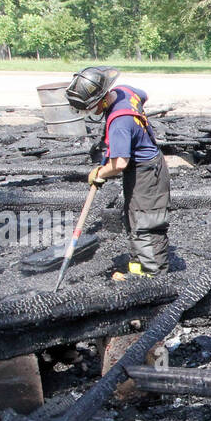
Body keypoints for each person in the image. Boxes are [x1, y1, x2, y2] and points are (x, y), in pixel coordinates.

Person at [64, 66, 170, 280]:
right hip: (142, 166)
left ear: (102, 99)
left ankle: (154, 278)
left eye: (91, 107)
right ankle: (137, 270)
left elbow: (120, 163)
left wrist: (99, 172)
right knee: (133, 217)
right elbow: (143, 96)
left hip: (146, 172)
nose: (91, 112)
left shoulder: (120, 123)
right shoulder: (124, 91)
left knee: (146, 223)